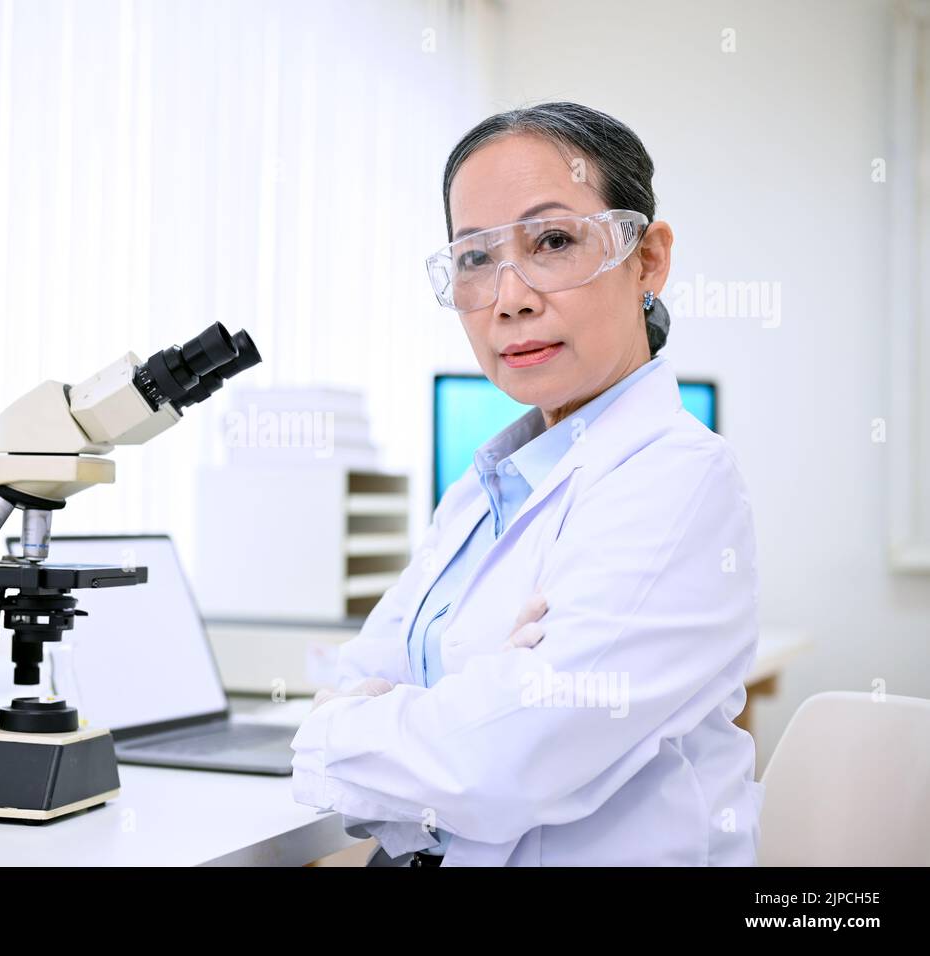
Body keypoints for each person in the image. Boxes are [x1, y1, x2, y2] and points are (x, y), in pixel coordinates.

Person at [290, 102, 763, 866]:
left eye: (552, 241)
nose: (509, 297)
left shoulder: (681, 479)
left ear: (647, 259)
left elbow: (495, 766)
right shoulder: (480, 493)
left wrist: (353, 735)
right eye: (475, 258)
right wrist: (455, 712)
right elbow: (365, 681)